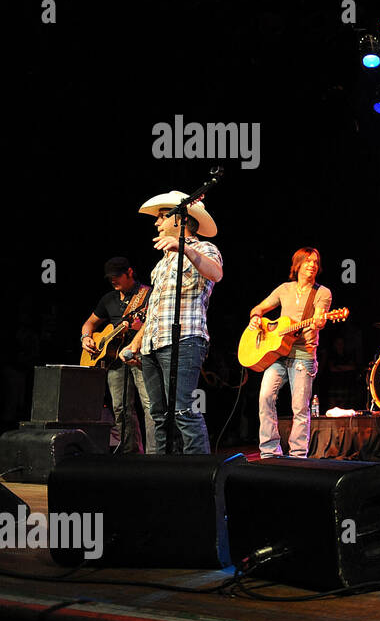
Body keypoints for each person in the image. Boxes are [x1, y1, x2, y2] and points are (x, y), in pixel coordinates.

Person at [120, 191, 223, 454]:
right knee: (158, 414)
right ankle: (162, 475)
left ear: (180, 218)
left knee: (183, 411)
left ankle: (199, 476)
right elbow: (154, 309)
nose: (157, 223)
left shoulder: (203, 249)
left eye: (162, 217)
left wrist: (184, 248)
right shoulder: (163, 262)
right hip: (154, 343)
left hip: (185, 339)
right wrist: (136, 342)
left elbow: (216, 273)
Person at [248, 248, 332, 458]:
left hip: (303, 355)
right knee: (265, 396)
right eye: (308, 261)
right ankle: (269, 451)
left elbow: (320, 318)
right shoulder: (284, 289)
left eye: (315, 262)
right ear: (297, 265)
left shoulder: (322, 292)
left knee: (300, 409)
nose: (312, 265)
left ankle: (298, 456)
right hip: (278, 355)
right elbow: (259, 308)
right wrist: (256, 317)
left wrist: (319, 322)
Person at [79, 257, 153, 453]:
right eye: (110, 277)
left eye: (117, 276)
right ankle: (131, 452)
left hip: (140, 356)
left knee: (149, 405)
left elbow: (155, 321)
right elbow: (89, 323)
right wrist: (86, 338)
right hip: (114, 360)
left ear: (130, 272)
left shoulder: (147, 294)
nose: (113, 280)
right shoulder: (108, 299)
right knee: (120, 407)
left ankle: (155, 454)